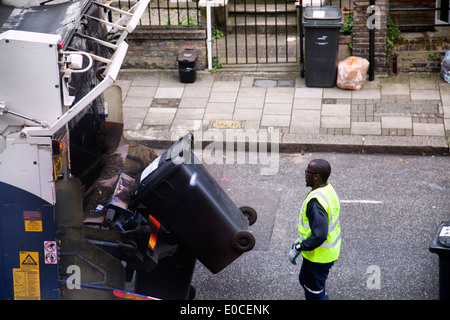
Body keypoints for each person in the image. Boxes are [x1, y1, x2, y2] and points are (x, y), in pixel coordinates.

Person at [288, 159, 341, 300]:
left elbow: (319, 235)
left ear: (316, 176)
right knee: (305, 281)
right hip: (321, 253)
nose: (305, 174)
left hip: (319, 256)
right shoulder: (327, 189)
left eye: (308, 171)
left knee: (314, 294)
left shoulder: (316, 202)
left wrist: (299, 247)